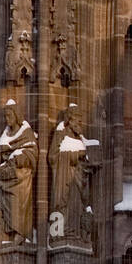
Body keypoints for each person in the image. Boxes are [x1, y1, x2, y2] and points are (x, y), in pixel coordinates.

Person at [0, 98, 38, 244]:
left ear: (16, 116)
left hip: (21, 179)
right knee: (8, 205)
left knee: (18, 204)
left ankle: (21, 233)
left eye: (9, 116)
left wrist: (18, 157)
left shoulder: (26, 133)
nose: (7, 119)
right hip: (6, 178)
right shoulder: (5, 136)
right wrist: (1, 152)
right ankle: (8, 234)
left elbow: (32, 153)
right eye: (5, 116)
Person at [50, 103, 95, 245]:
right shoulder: (60, 133)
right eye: (77, 119)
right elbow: (52, 157)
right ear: (69, 119)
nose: (80, 122)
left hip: (78, 179)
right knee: (65, 204)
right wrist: (76, 155)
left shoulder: (80, 138)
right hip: (64, 179)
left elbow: (84, 161)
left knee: (76, 204)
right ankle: (60, 234)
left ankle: (76, 233)